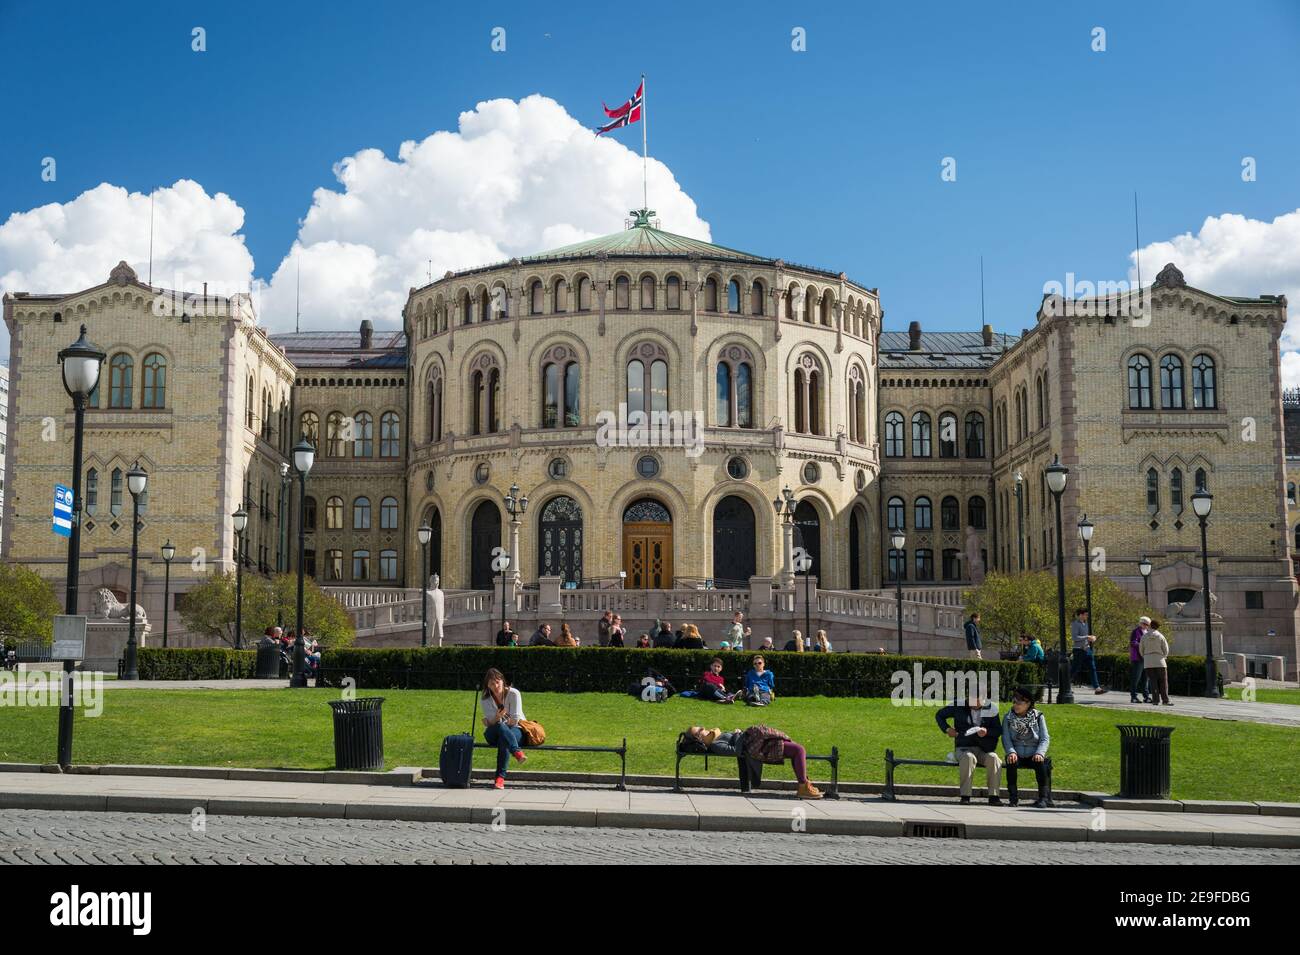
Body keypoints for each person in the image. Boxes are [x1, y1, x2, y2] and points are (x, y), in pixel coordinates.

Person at [684, 725, 823, 799]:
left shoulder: (716, 737)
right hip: (756, 747)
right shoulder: (715, 744)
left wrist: (737, 733)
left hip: (754, 740)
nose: (703, 729)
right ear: (699, 739)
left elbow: (736, 743)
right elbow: (735, 751)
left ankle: (804, 784)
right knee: (798, 750)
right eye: (700, 731)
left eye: (701, 727)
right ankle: (803, 786)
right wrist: (739, 734)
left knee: (795, 748)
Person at [935, 696, 1003, 804]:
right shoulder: (958, 705)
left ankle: (994, 796)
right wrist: (947, 729)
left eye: (976, 700)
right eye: (970, 699)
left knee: (994, 759)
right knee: (968, 758)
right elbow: (939, 715)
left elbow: (998, 730)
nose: (972, 702)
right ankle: (965, 796)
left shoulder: (991, 708)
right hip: (963, 747)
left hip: (984, 749)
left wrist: (987, 731)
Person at [1001, 686, 1053, 808]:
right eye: (1014, 702)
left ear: (1028, 703)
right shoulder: (1008, 718)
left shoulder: (1038, 716)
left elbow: (1045, 738)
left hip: (1034, 753)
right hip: (1017, 753)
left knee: (1042, 764)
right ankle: (1013, 798)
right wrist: (1011, 752)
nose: (1016, 705)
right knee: (1011, 762)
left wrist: (1040, 753)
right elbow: (1006, 739)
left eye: (1019, 702)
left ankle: (1043, 798)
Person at [480, 667, 528, 789]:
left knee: (504, 739)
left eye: (498, 681)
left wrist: (493, 721)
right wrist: (496, 718)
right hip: (493, 733)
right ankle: (516, 752)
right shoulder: (485, 699)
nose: (496, 685)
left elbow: (515, 720)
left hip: (516, 729)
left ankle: (499, 779)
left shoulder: (514, 694)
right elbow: (491, 724)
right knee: (501, 728)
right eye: (492, 683)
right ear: (488, 686)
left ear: (502, 680)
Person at [1071, 608, 1104, 693]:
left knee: (1092, 668)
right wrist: (1087, 637)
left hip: (1087, 649)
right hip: (1078, 650)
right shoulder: (1075, 624)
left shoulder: (1085, 624)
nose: (1087, 616)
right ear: (1080, 615)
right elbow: (1075, 638)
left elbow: (1086, 637)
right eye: (1085, 614)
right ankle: (1065, 687)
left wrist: (1092, 638)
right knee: (1074, 669)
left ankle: (1097, 688)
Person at [1140, 617, 1171, 705]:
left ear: (1150, 625)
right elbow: (1166, 649)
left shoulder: (1144, 636)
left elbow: (1141, 649)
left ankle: (1155, 700)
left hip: (1148, 661)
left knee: (1153, 682)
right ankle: (1165, 700)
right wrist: (1163, 656)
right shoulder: (1160, 636)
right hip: (1159, 660)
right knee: (1163, 682)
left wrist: (1145, 657)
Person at [1130, 616, 1152, 703]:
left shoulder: (1147, 632)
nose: (1146, 626)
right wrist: (1142, 645)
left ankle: (1146, 697)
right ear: (1141, 623)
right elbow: (1133, 643)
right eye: (1145, 624)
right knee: (1136, 678)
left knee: (1145, 679)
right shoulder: (1136, 631)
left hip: (1146, 658)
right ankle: (1134, 696)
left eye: (1148, 625)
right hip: (1138, 658)